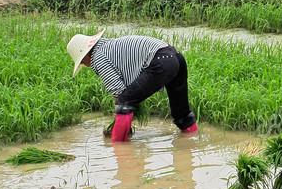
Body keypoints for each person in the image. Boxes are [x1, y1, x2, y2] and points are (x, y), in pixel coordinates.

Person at [67, 32, 198, 142]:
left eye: (83, 62)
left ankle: (119, 148)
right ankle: (193, 140)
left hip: (160, 60)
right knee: (182, 113)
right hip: (176, 57)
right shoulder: (109, 46)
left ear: (85, 55)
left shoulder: (98, 57)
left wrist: (119, 121)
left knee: (124, 102)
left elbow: (119, 93)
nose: (87, 65)